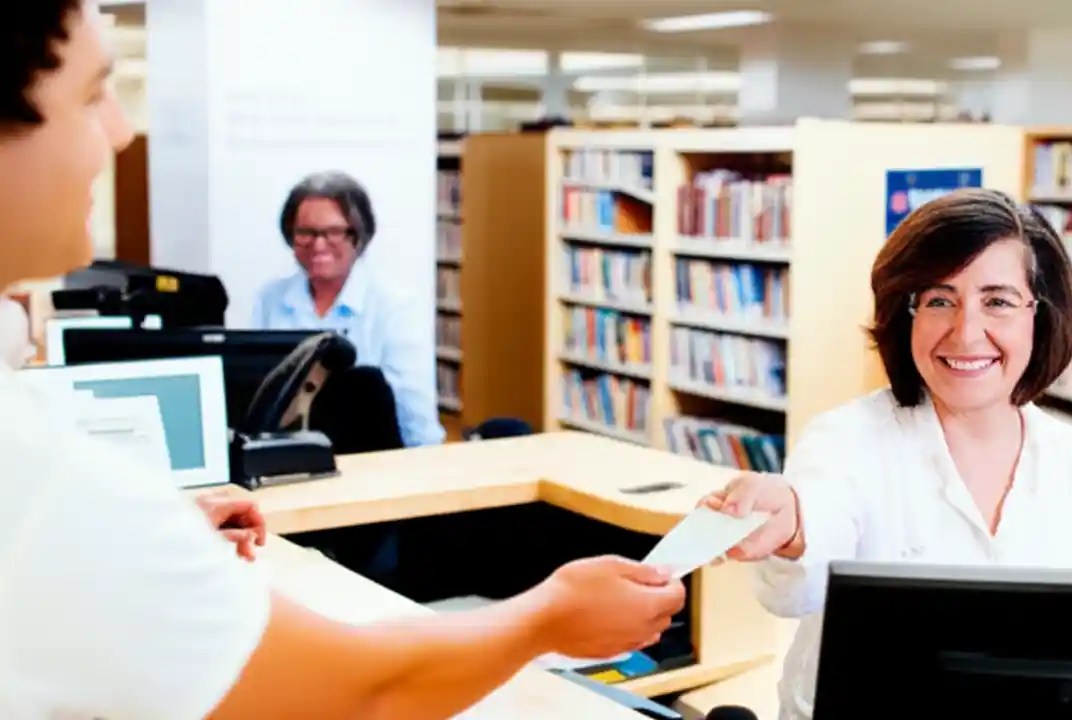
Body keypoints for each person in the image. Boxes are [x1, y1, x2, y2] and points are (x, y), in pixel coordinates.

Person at [0, 3, 684, 719]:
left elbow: (417, 424)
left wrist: (130, 537)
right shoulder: (41, 476)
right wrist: (548, 618)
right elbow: (361, 694)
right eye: (89, 95)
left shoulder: (52, 481)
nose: (121, 129)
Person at [700, 188, 1072, 719]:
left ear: (1041, 317)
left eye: (997, 301)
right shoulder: (847, 439)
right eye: (939, 300)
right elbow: (797, 584)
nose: (967, 332)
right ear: (906, 316)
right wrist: (792, 525)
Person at [252, 171, 445, 448]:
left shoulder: (394, 306)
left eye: (333, 232)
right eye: (305, 232)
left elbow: (414, 411)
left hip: (370, 461)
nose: (318, 245)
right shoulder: (270, 298)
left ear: (358, 235)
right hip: (284, 459)